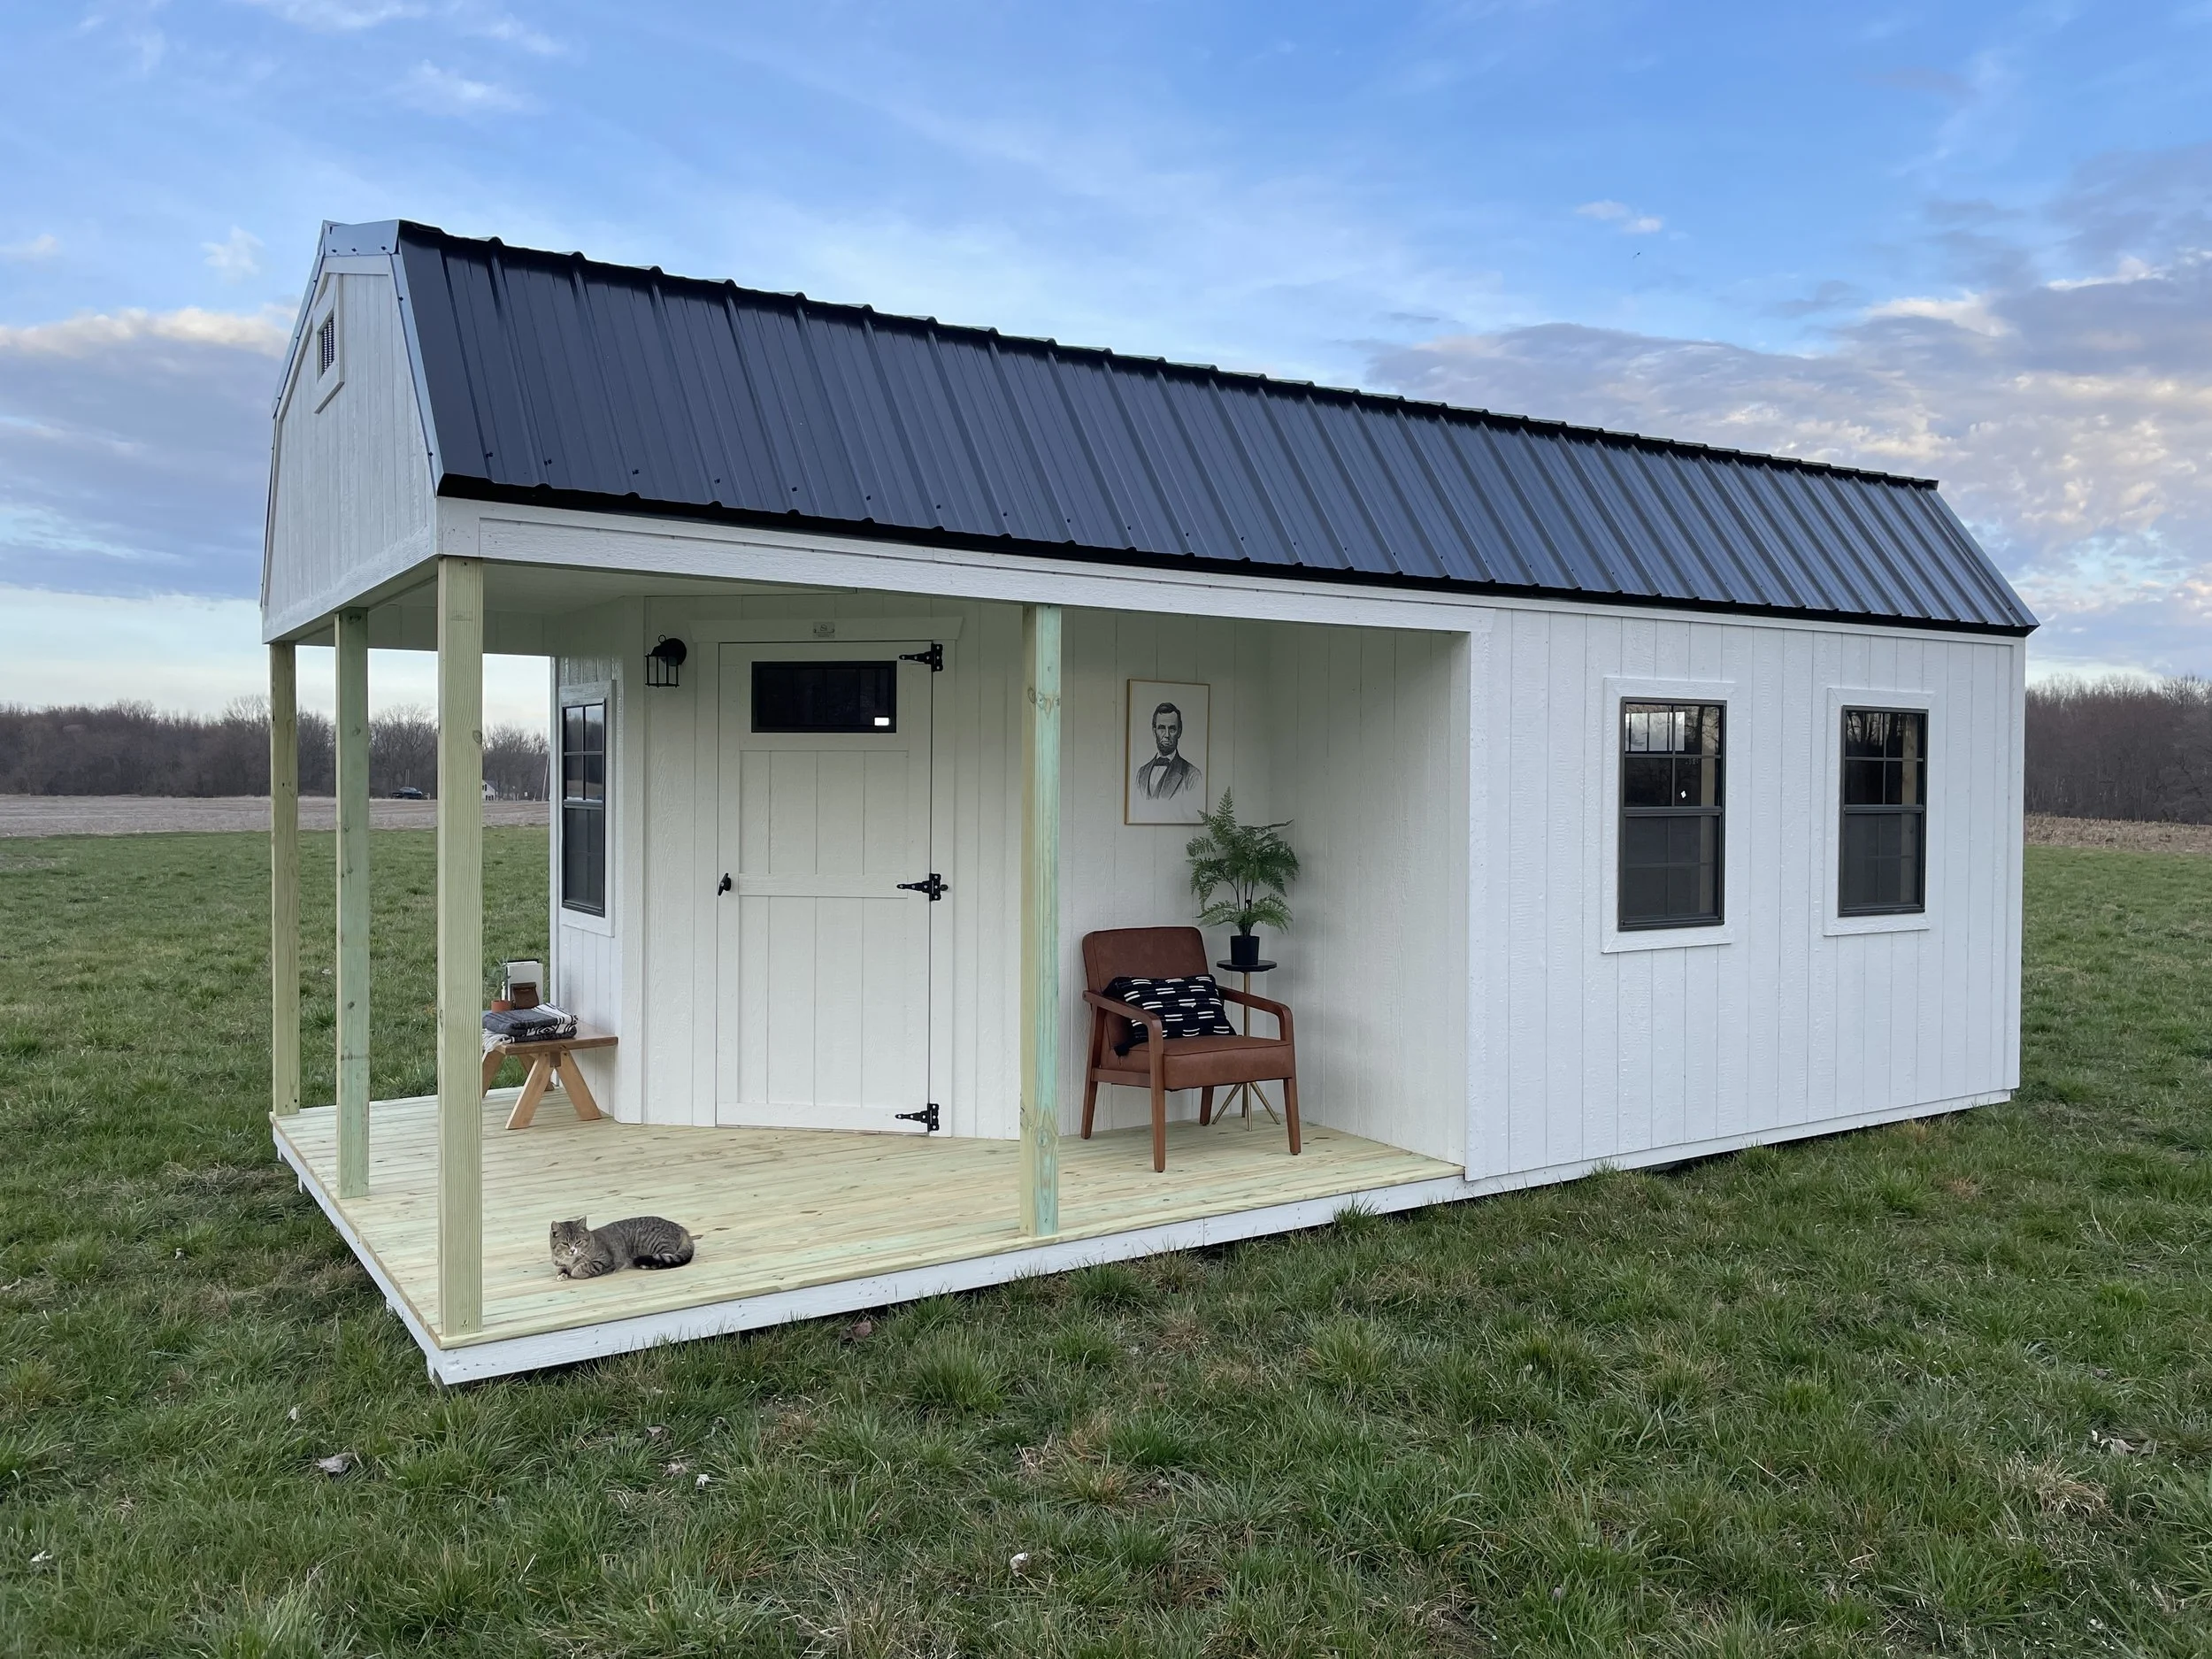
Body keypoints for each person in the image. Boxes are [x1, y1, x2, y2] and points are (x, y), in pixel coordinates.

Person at [1133, 702, 1202, 803]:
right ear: (1154, 731)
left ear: (1179, 732)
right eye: (1161, 728)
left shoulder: (1192, 776)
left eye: (1172, 729)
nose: (1166, 735)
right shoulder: (1141, 773)